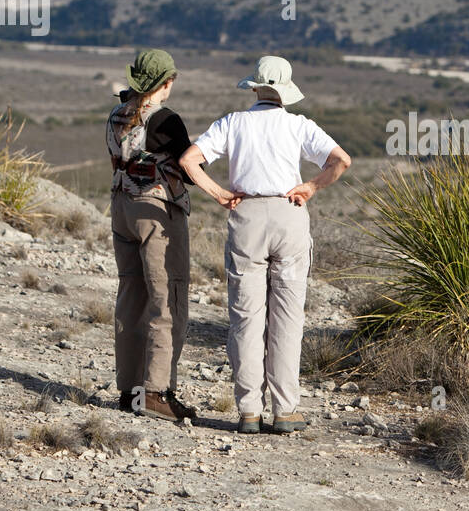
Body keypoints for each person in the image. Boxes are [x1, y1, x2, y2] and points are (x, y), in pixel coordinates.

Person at [179, 55, 351, 434]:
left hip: (247, 217)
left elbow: (190, 161)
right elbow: (341, 160)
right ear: (285, 92)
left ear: (255, 87)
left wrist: (220, 193)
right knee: (287, 318)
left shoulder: (233, 123)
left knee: (246, 317)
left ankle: (249, 411)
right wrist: (312, 186)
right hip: (290, 214)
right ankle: (286, 410)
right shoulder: (298, 125)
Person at [107, 49, 199, 423]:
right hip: (156, 212)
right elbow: (191, 170)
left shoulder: (117, 113)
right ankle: (157, 392)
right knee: (167, 297)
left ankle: (129, 391)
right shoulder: (165, 120)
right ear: (166, 81)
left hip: (121, 206)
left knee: (131, 293)